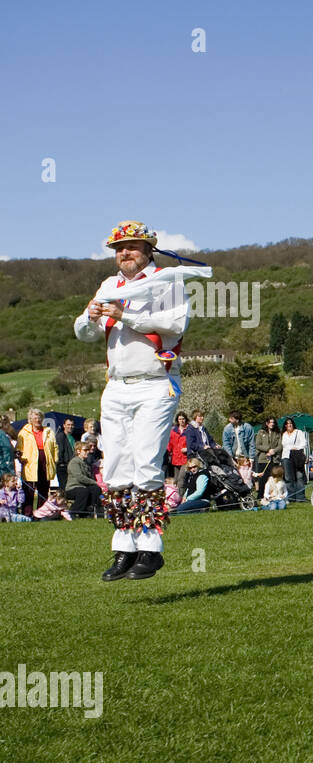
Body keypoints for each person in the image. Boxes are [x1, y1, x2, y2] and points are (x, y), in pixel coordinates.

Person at [73, 221, 190, 580]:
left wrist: (126, 315)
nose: (124, 253)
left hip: (155, 383)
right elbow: (83, 333)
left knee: (145, 462)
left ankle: (151, 550)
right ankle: (124, 546)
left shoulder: (169, 280)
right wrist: (90, 319)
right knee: (115, 467)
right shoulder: (110, 285)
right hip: (117, 386)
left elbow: (175, 325)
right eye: (119, 248)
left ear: (149, 249)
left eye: (132, 246)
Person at [15, 408, 56, 517]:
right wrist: (22, 458)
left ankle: (41, 514)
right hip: (30, 463)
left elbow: (55, 447)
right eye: (35, 417)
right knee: (29, 490)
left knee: (43, 489)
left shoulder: (48, 431)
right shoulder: (24, 432)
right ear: (30, 419)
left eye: (39, 417)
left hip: (45, 462)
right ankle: (27, 514)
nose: (37, 420)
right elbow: (19, 447)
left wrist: (55, 460)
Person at [65, 441, 102, 517]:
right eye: (85, 450)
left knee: (96, 489)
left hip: (84, 487)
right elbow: (80, 477)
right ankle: (72, 512)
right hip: (73, 488)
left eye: (88, 450)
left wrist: (96, 484)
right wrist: (95, 482)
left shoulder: (86, 463)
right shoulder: (74, 462)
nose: (87, 452)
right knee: (83, 491)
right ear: (78, 451)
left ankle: (91, 509)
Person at [279, 417, 308, 502]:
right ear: (285, 425)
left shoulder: (298, 432)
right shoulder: (283, 434)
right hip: (286, 457)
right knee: (288, 478)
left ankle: (300, 497)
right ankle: (291, 497)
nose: (289, 425)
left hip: (296, 456)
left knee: (299, 476)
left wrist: (297, 448)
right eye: (287, 423)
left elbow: (304, 443)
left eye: (290, 423)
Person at [253, 416, 281, 498]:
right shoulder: (261, 432)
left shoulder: (277, 433)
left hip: (274, 459)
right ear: (266, 423)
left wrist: (274, 451)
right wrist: (268, 450)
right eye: (270, 422)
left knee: (274, 479)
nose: (272, 424)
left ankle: (274, 496)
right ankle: (260, 496)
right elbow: (257, 445)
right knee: (263, 479)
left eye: (273, 422)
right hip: (263, 459)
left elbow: (280, 446)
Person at [55, 417, 77, 491]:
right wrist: (61, 463)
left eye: (72, 425)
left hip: (72, 465)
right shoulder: (60, 436)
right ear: (64, 425)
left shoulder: (74, 437)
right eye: (68, 424)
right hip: (63, 466)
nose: (70, 426)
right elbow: (60, 451)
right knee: (64, 488)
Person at [167, 413, 189, 482]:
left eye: (183, 419)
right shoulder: (173, 431)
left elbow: (194, 443)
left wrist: (188, 449)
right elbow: (170, 444)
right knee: (176, 479)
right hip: (176, 458)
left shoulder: (190, 430)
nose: (182, 421)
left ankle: (182, 493)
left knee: (181, 479)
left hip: (186, 459)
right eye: (180, 419)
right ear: (177, 420)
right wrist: (167, 452)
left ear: (185, 420)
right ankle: (176, 492)